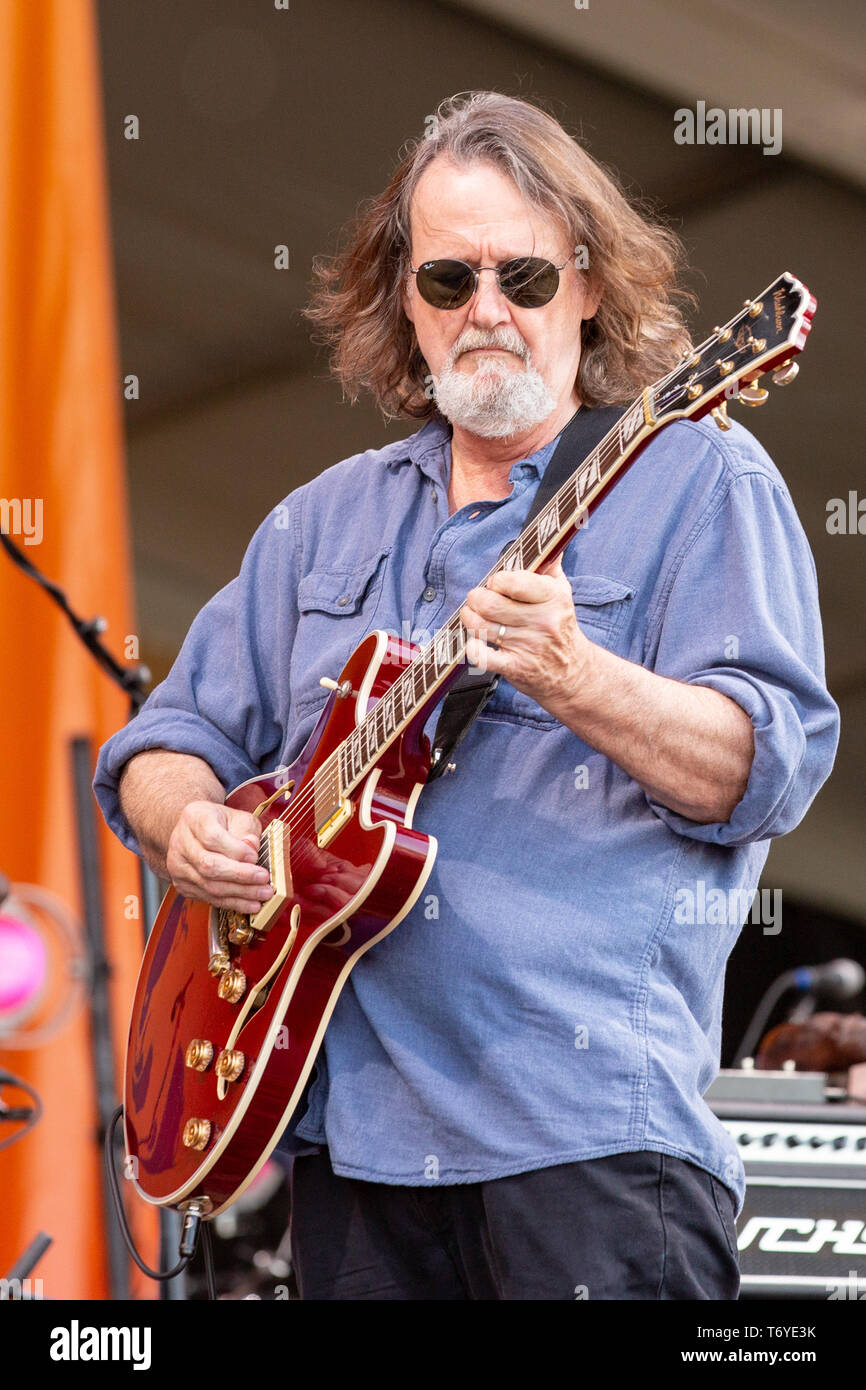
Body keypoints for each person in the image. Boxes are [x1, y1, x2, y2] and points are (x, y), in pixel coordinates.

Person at [94, 91, 840, 1300]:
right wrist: (185, 821)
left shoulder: (696, 477)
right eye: (447, 281)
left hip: (589, 1139)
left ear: (588, 286)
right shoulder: (322, 518)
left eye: (524, 279)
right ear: (405, 300)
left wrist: (576, 675)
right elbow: (162, 741)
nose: (485, 311)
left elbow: (764, 769)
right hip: (353, 1148)